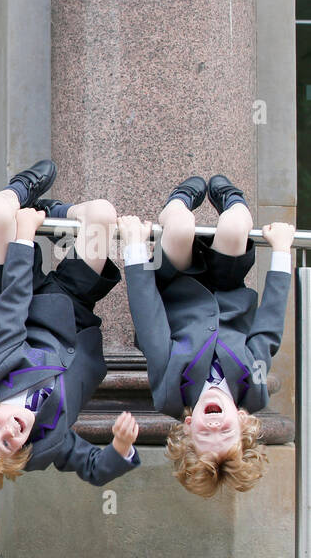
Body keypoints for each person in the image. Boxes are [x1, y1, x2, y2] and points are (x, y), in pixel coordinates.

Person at [0, 160, 141, 495]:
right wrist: (121, 447)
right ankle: (55, 212)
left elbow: (11, 311)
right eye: (9, 443)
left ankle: (24, 189)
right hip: (74, 310)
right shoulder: (44, 446)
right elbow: (94, 467)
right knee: (102, 214)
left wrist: (24, 238)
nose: (11, 429)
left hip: (24, 292)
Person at [122, 175, 293, 496]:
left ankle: (181, 197)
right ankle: (228, 195)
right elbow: (268, 330)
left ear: (188, 428)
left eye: (206, 436)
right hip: (227, 287)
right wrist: (282, 253)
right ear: (242, 420)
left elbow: (150, 323)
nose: (214, 428)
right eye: (225, 432)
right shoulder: (253, 389)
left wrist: (134, 248)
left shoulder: (170, 391)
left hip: (175, 286)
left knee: (181, 227)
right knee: (235, 226)